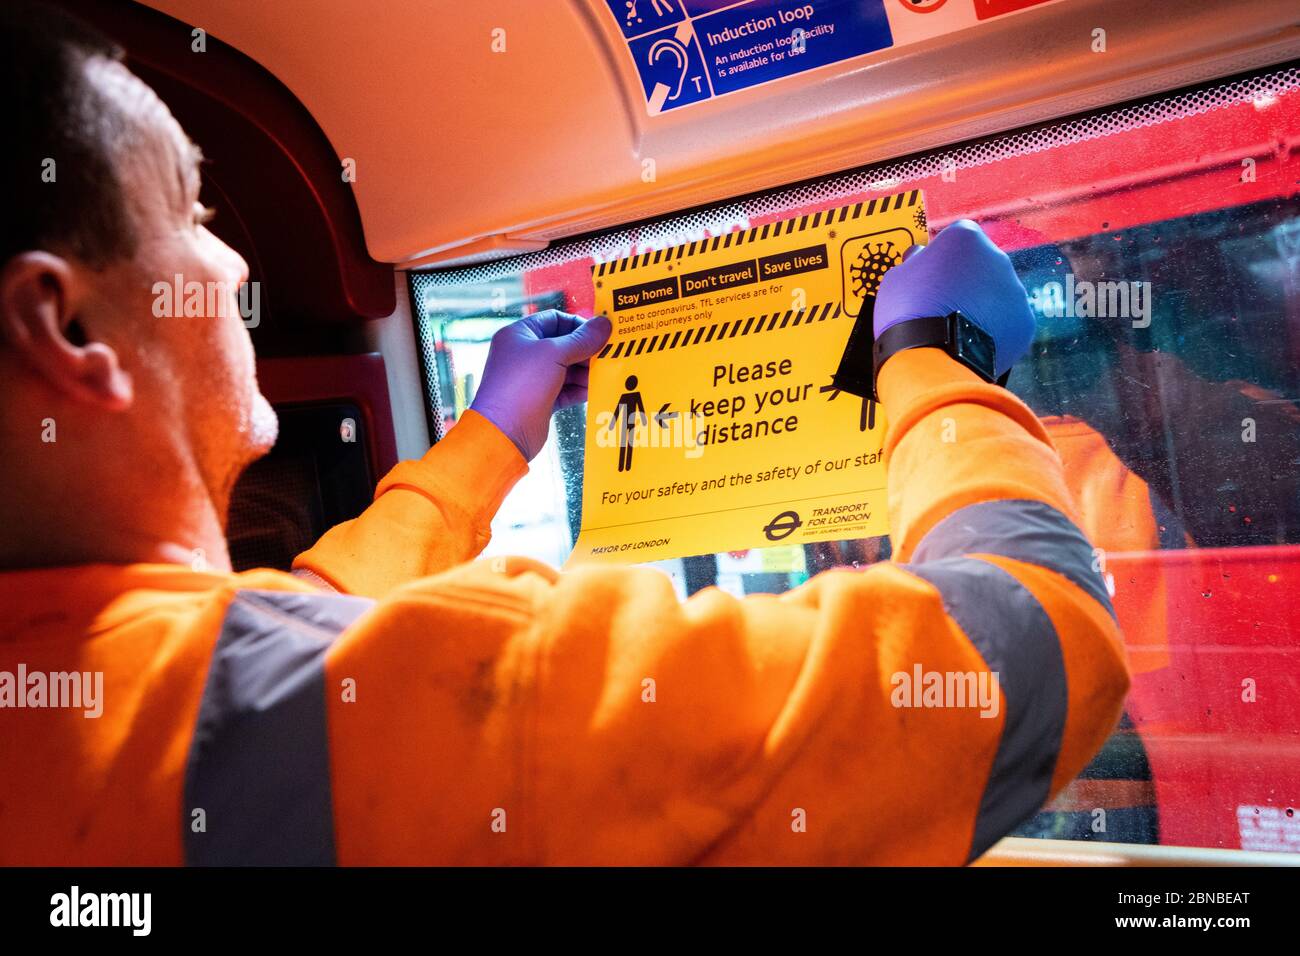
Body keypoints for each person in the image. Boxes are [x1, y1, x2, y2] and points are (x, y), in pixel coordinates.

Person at [0, 1, 1127, 865]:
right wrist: (931, 358)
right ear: (68, 325)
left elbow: (282, 623)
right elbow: (1032, 646)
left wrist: (488, 437)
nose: (233, 261)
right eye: (188, 215)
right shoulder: (474, 705)